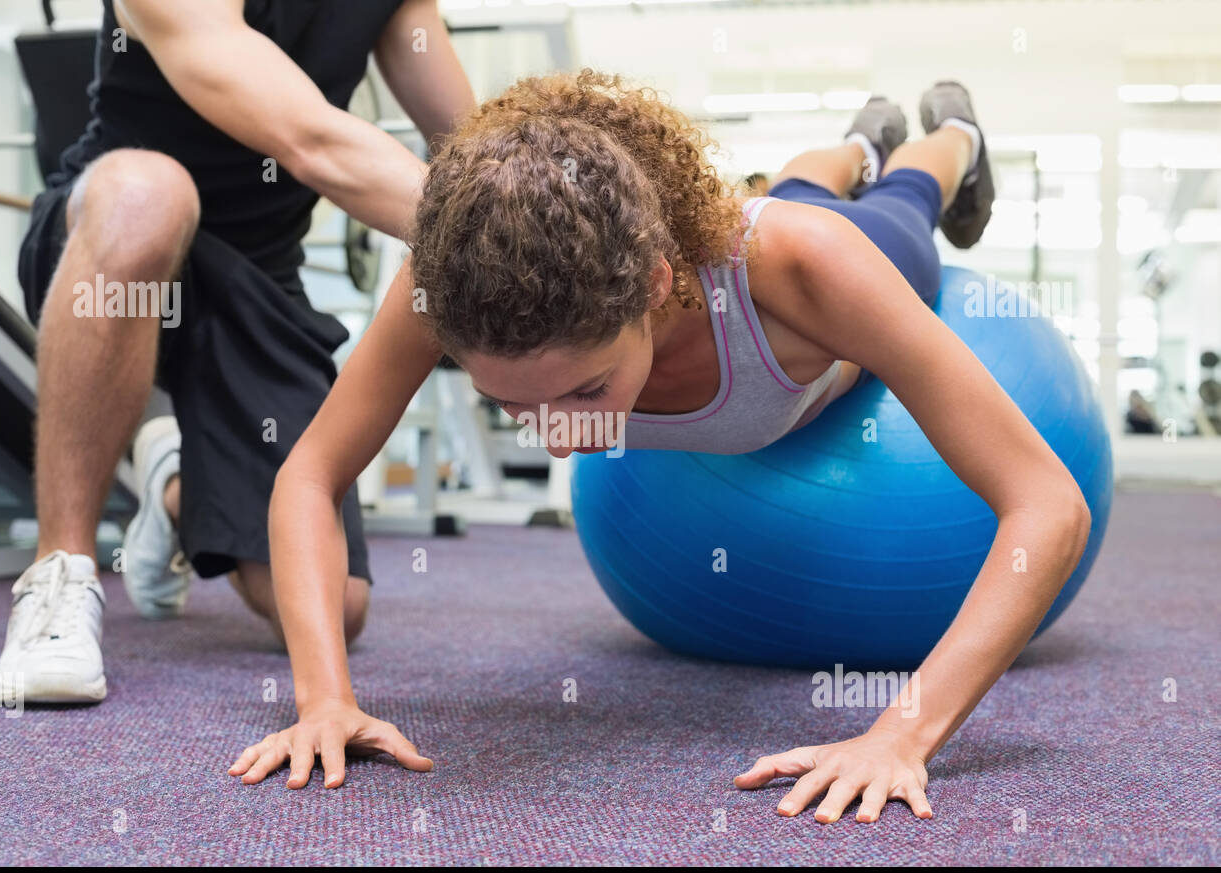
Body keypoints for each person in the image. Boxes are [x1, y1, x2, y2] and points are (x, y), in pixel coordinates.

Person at [231, 71, 1092, 825]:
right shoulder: (445, 289)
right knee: (795, 187)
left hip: (843, 267)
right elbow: (311, 472)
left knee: (898, 210)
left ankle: (950, 137)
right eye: (510, 406)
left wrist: (903, 735)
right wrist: (323, 700)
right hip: (762, 232)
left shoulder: (808, 269)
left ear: (654, 286)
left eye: (584, 392)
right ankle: (859, 142)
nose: (563, 443)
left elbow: (1048, 506)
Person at [0, 0, 475, 703]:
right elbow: (309, 140)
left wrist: (548, 200)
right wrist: (496, 229)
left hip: (260, 281)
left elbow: (472, 145)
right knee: (152, 195)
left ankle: (172, 491)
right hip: (112, 240)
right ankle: (60, 572)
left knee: (334, 608)